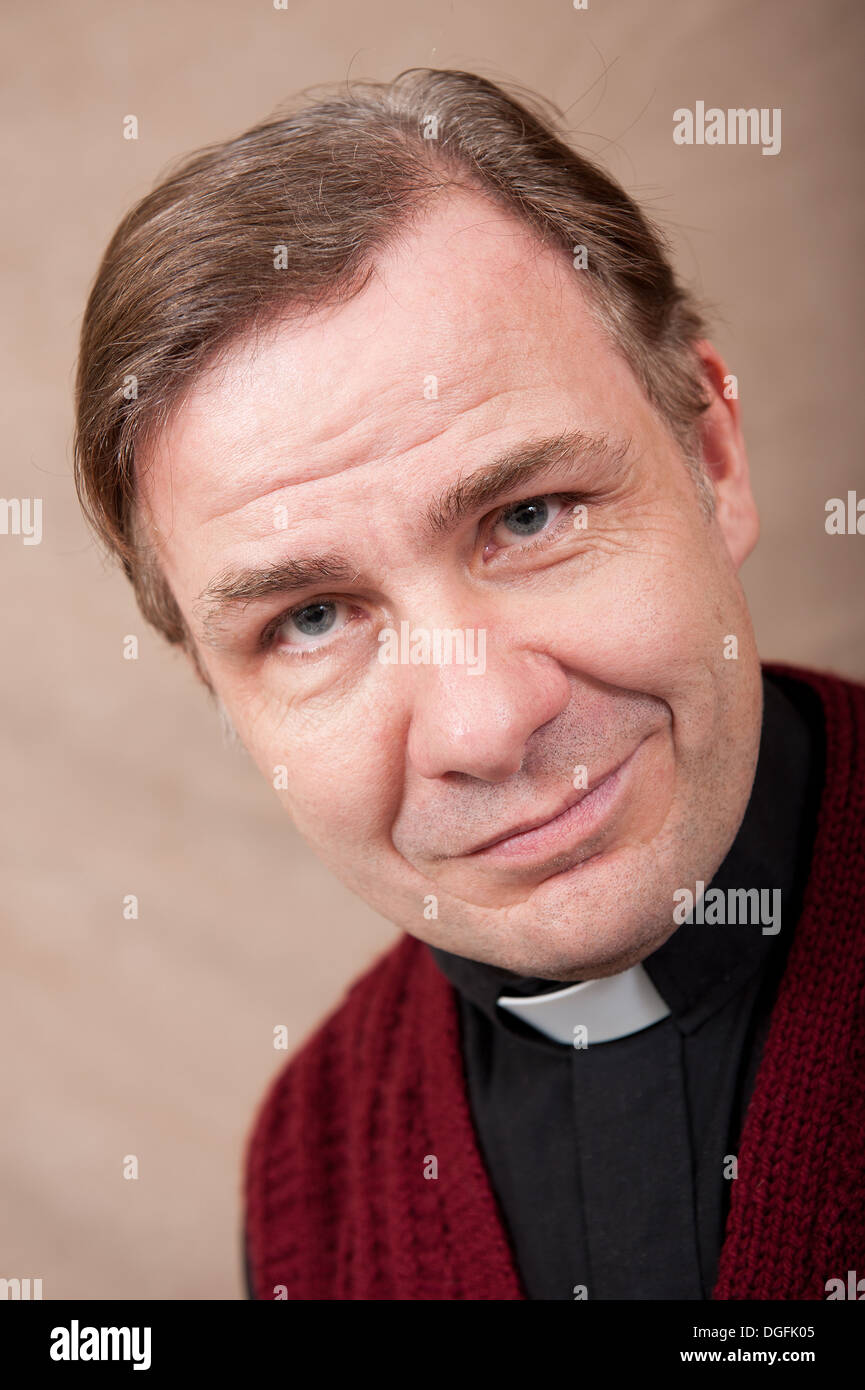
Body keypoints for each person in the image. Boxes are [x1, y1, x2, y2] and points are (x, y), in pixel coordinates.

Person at [73, 68, 865, 1301]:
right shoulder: (310, 1164)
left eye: (530, 514)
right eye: (314, 617)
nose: (486, 725)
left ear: (711, 456)